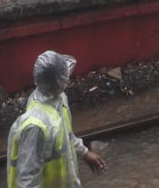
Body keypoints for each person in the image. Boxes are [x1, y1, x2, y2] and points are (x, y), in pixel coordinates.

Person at [7, 50, 107, 188]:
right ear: (59, 81)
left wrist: (84, 153)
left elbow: (66, 136)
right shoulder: (35, 126)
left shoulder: (59, 99)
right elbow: (28, 180)